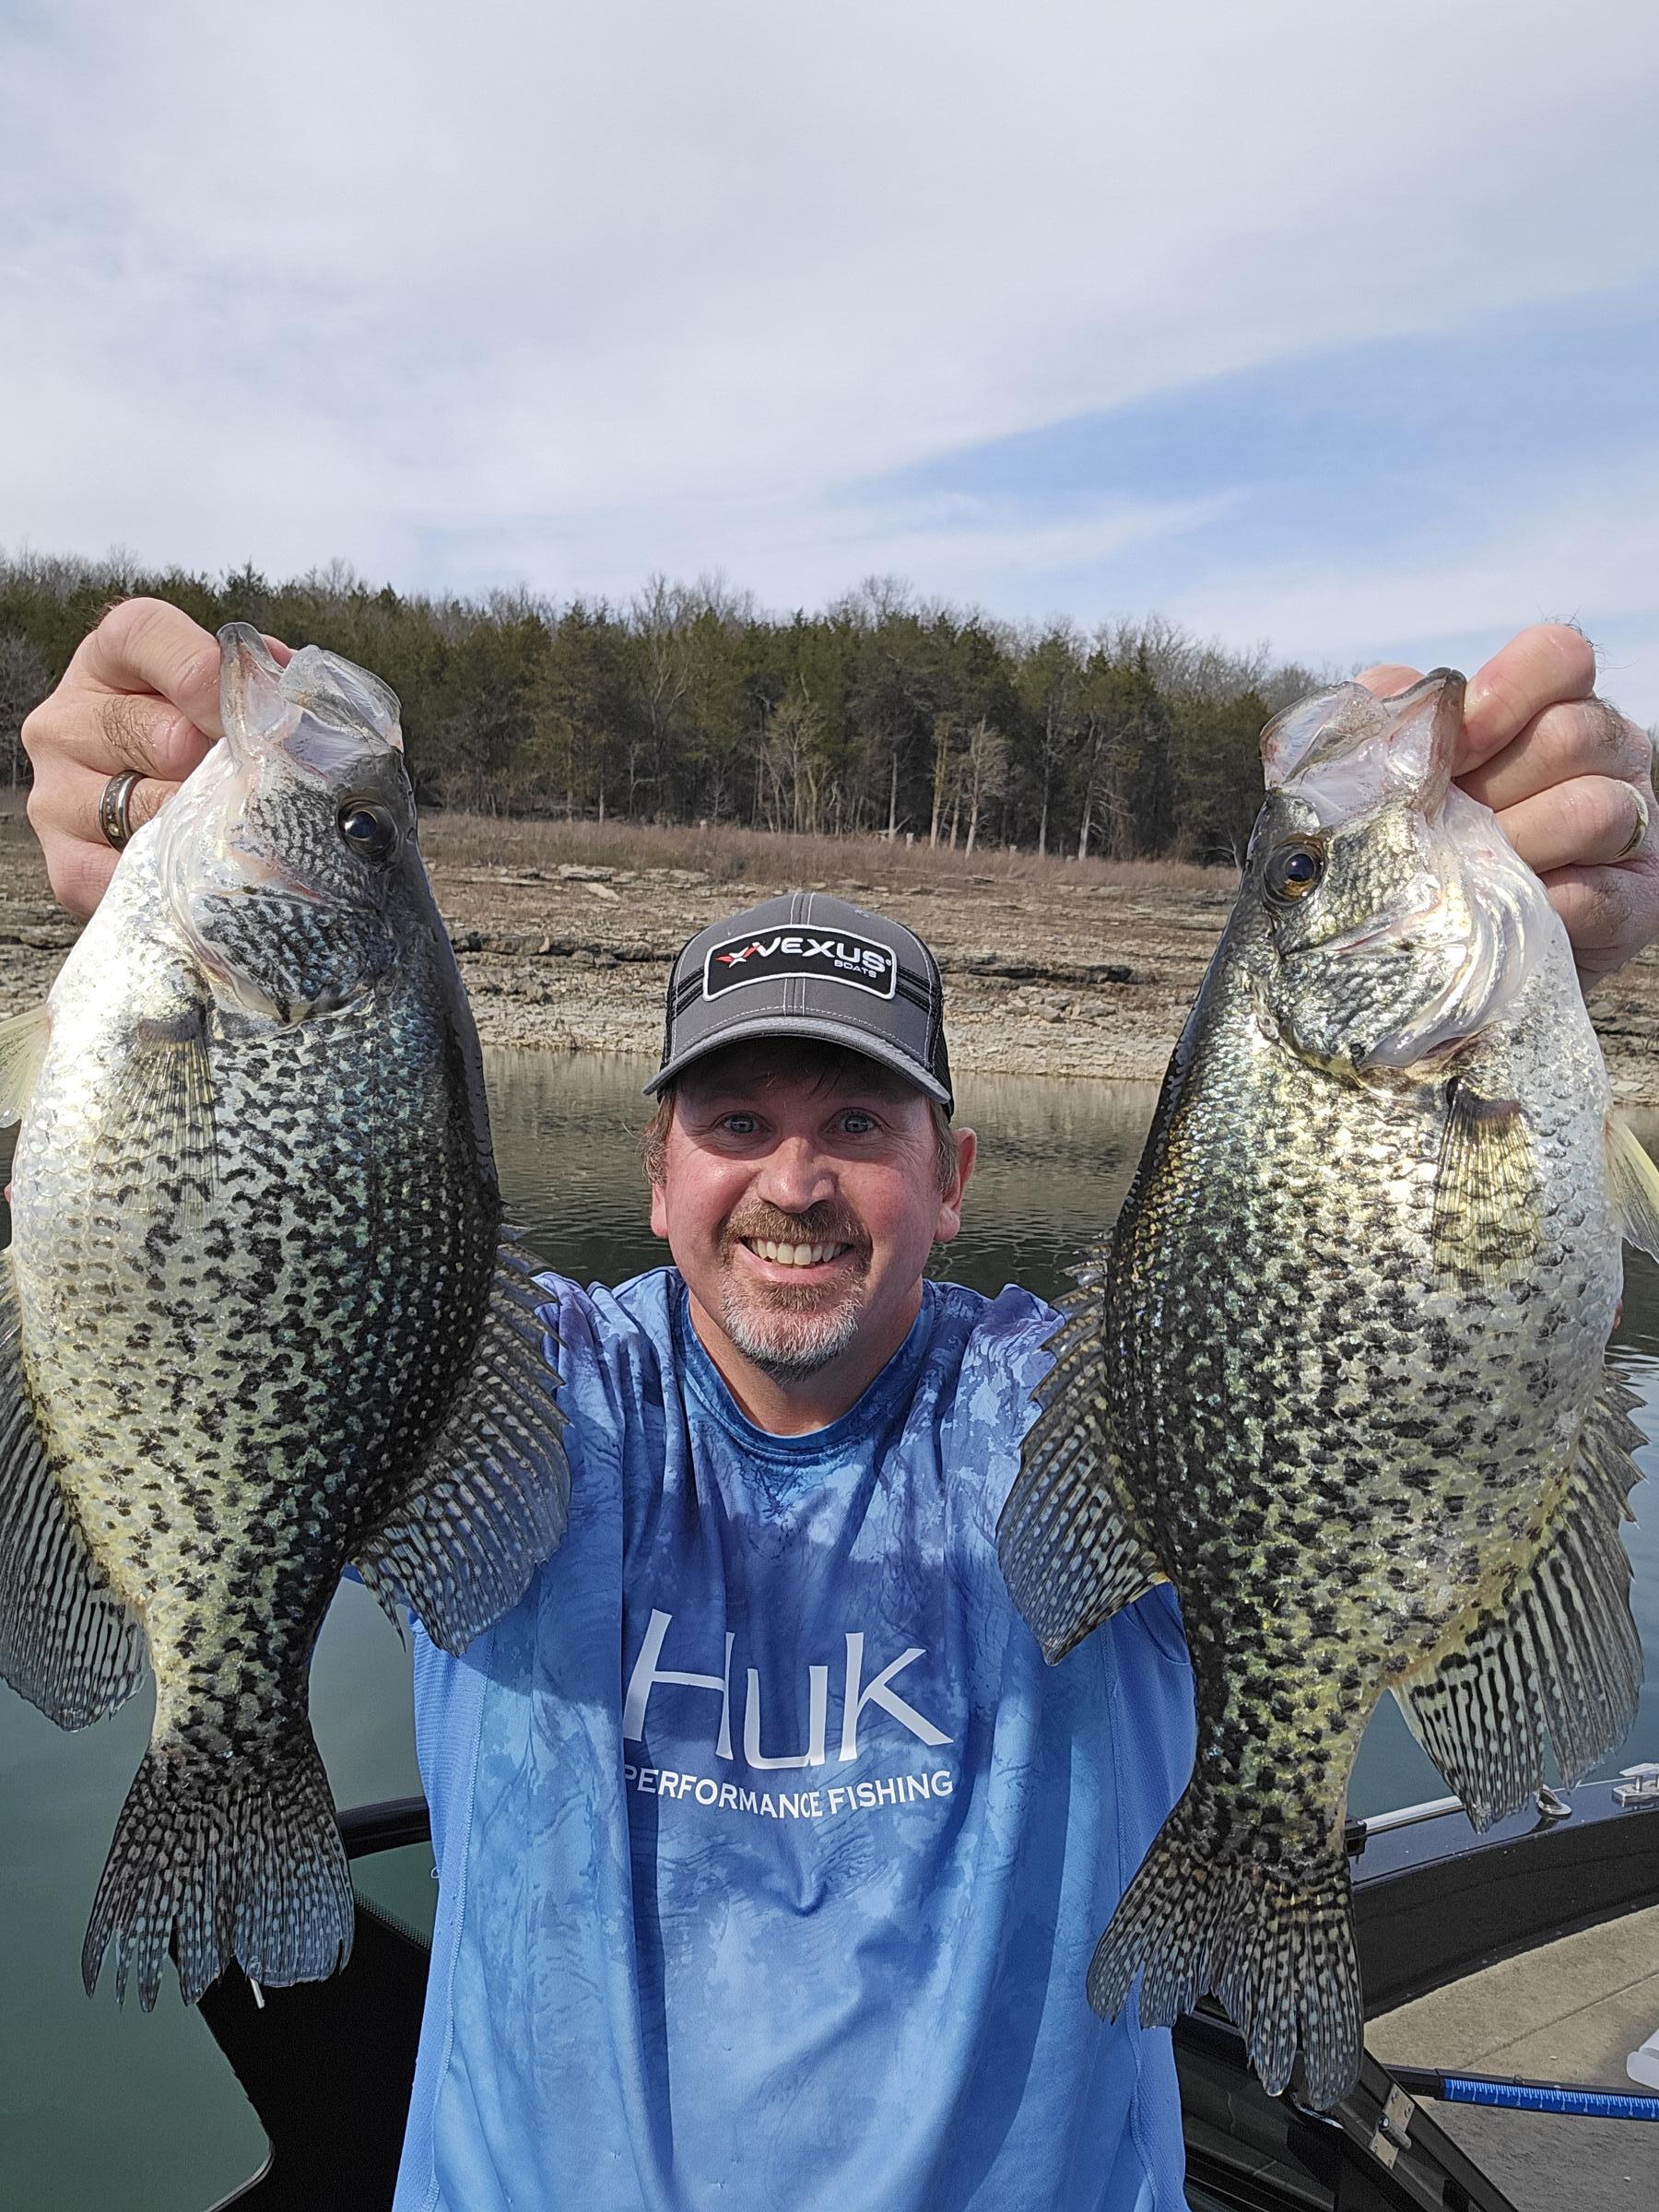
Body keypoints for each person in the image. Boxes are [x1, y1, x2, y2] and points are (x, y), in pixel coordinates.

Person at [19, 605, 1659, 2212]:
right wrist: (125, 877)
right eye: (735, 1116)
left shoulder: (1089, 1421)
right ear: (655, 1172)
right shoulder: (494, 1386)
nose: (793, 1180)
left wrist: (1540, 930)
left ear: (952, 1177)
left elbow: (1375, 1310)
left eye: (859, 1121)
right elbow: (182, 1247)